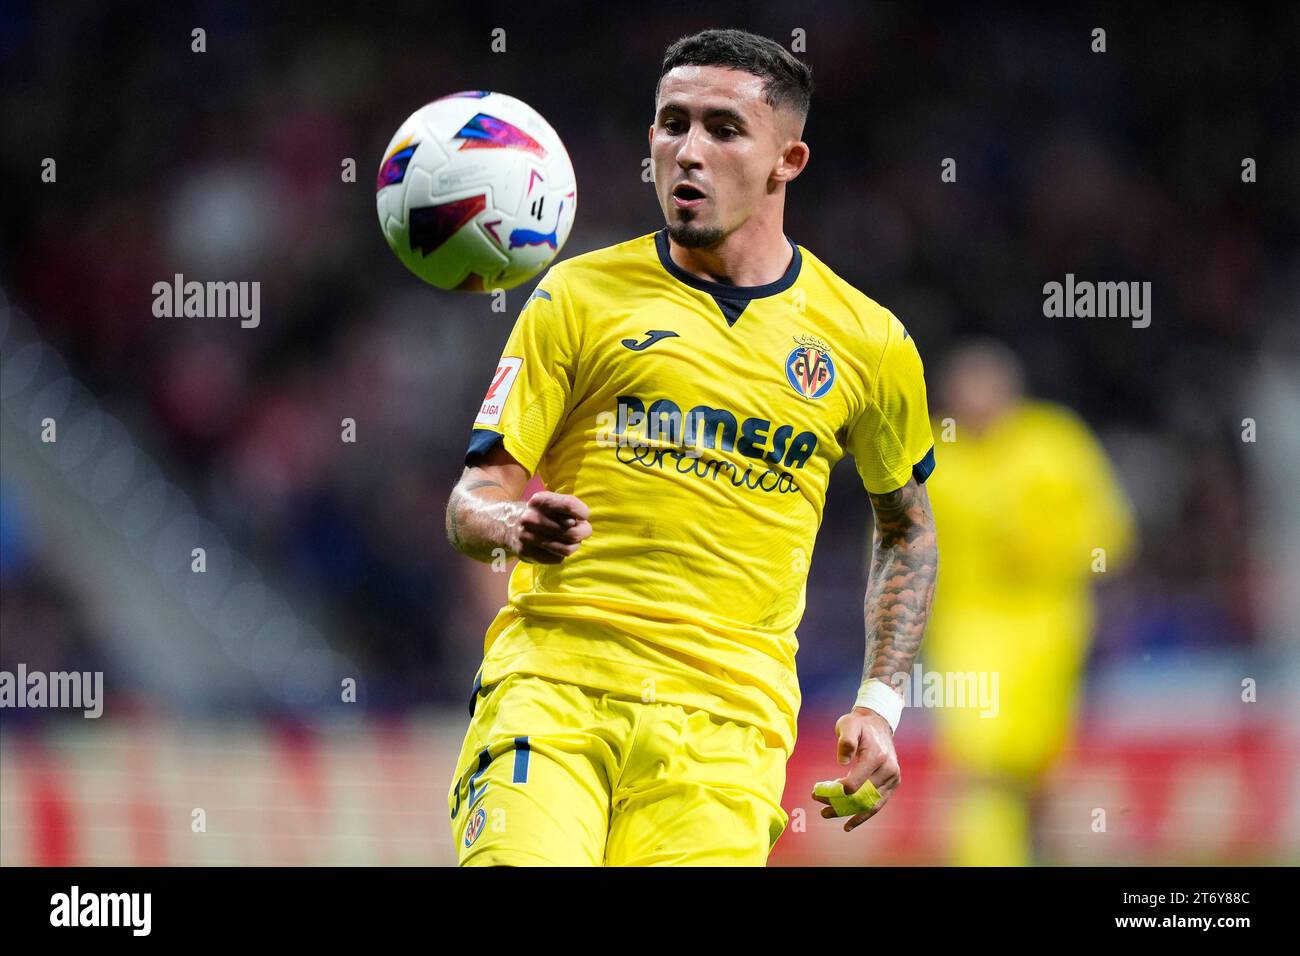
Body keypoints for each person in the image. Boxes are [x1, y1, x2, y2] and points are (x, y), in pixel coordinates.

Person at [444, 28, 938, 866]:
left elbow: (906, 526)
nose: (688, 151)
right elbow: (471, 498)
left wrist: (880, 704)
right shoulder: (578, 295)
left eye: (723, 129)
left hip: (729, 735)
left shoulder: (869, 343)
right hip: (554, 691)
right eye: (672, 125)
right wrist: (510, 529)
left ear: (789, 160)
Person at [921, 341, 1135, 865]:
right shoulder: (931, 455)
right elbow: (895, 545)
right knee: (978, 757)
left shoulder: (1054, 442)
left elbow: (1112, 532)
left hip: (1048, 628)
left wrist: (1052, 551)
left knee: (1041, 764)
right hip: (966, 629)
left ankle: (1045, 850)